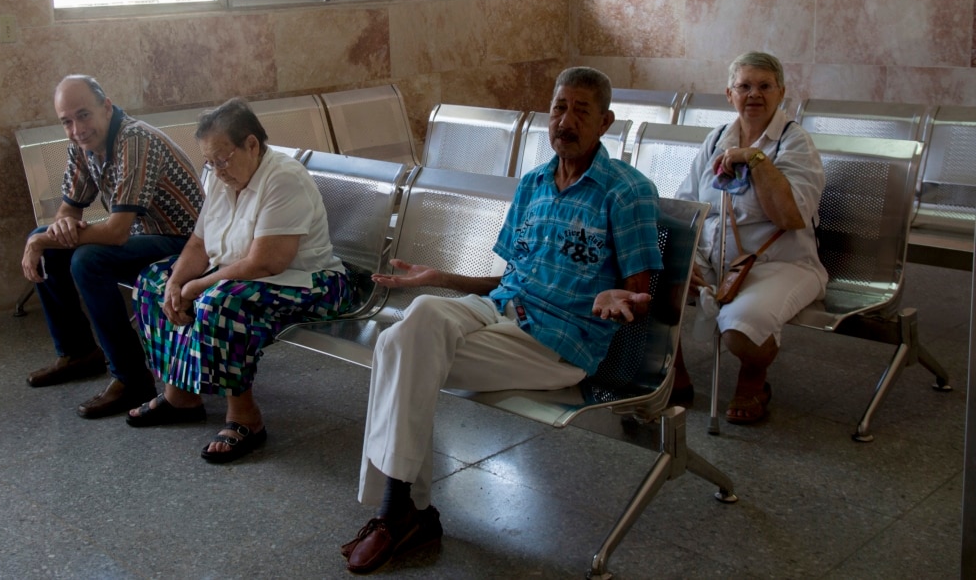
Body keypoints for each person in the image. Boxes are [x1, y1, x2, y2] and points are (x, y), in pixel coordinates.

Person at [340, 67, 664, 574]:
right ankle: (403, 511)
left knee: (397, 348)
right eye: (559, 108)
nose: (566, 120)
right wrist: (443, 279)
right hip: (499, 312)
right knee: (420, 317)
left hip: (559, 343)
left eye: (581, 111)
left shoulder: (625, 192)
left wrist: (616, 295)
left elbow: (644, 295)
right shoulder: (534, 183)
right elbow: (508, 278)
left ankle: (400, 510)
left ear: (605, 122)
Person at [129, 98, 353, 464]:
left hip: (310, 282)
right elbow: (199, 243)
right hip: (241, 275)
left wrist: (198, 286)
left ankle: (245, 416)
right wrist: (176, 282)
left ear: (251, 144)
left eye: (222, 159)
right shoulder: (223, 177)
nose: (216, 170)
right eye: (210, 162)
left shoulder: (283, 177)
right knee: (152, 281)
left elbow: (267, 262)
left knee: (221, 302)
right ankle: (179, 395)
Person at [22, 75, 203, 419]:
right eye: (67, 121)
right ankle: (78, 353)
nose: (76, 128)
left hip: (186, 242)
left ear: (106, 108)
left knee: (88, 260)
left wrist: (41, 239)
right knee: (51, 245)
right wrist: (54, 229)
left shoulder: (135, 140)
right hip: (141, 236)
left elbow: (117, 232)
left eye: (83, 115)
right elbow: (69, 209)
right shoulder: (82, 143)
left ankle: (132, 378)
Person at [672, 51, 826, 424]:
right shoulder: (715, 140)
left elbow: (790, 217)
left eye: (764, 86)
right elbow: (685, 204)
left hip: (779, 265)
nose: (754, 94)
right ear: (730, 95)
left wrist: (755, 160)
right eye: (744, 86)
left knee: (742, 330)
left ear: (781, 93)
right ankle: (671, 375)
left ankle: (754, 377)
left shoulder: (795, 143)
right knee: (652, 283)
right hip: (713, 259)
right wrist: (686, 259)